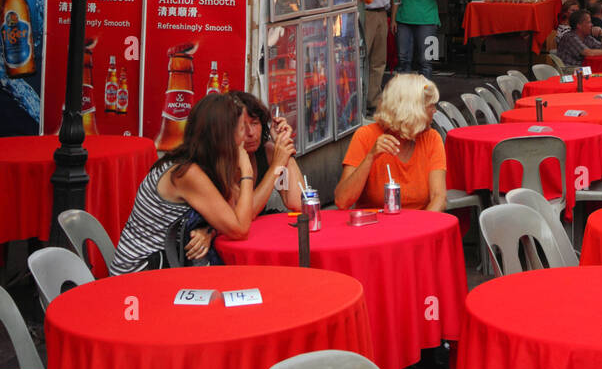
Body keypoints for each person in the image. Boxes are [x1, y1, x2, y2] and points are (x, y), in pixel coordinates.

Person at [110, 93, 295, 275]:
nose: (247, 135)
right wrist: (248, 171)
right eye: (241, 128)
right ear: (225, 135)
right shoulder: (188, 173)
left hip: (168, 261)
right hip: (141, 272)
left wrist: (209, 230)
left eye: (253, 125)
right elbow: (240, 229)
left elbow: (239, 210)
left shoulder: (207, 161)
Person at [334, 74, 446, 211]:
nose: (435, 111)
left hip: (418, 225)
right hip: (375, 227)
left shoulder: (432, 138)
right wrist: (370, 157)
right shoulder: (365, 136)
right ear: (413, 110)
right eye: (431, 106)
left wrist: (422, 228)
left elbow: (439, 198)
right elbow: (342, 201)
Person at [362, 0, 391, 115]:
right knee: (363, 57)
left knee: (379, 60)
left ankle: (373, 100)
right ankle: (361, 99)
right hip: (367, 11)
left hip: (381, 11)